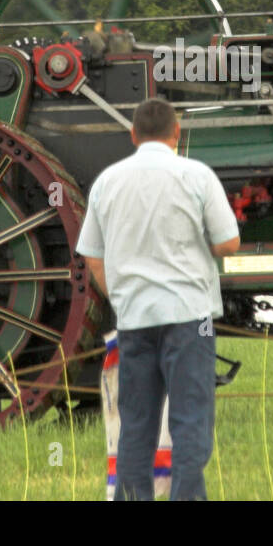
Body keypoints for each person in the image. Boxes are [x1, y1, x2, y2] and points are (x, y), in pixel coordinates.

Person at [76, 97, 240, 501]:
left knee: (136, 424)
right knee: (190, 421)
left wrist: (120, 293)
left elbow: (92, 253)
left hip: (134, 318)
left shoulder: (107, 182)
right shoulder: (197, 175)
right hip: (190, 316)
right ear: (176, 134)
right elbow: (228, 243)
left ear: (133, 135)